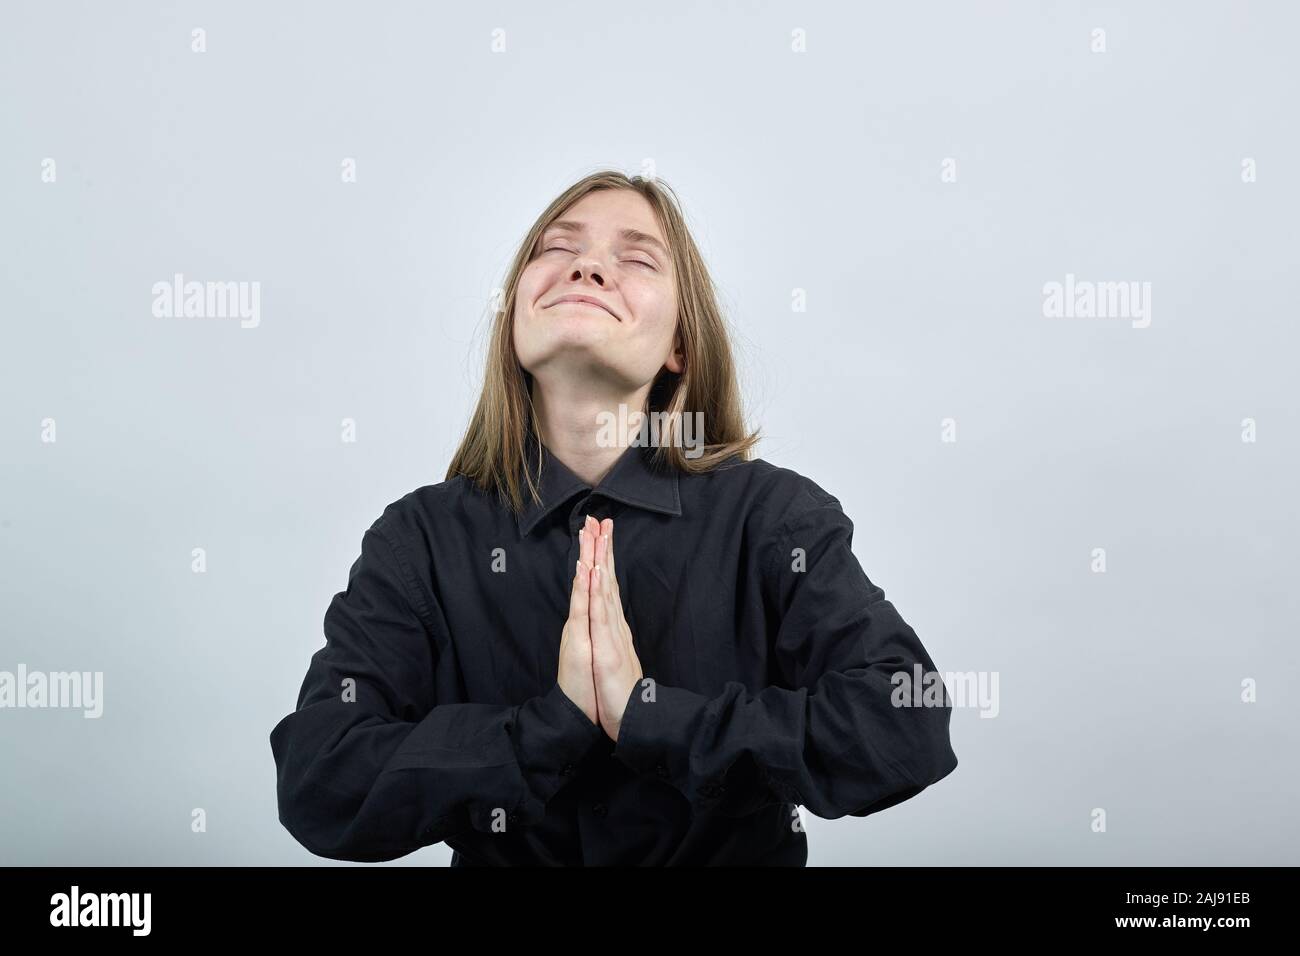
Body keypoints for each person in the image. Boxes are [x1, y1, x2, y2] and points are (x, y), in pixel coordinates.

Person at [269, 170, 958, 865]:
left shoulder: (775, 519)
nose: (588, 265)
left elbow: (909, 720)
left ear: (679, 346)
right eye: (556, 248)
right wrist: (548, 730)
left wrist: (649, 715)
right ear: (516, 315)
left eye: (636, 258)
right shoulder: (417, 541)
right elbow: (319, 777)